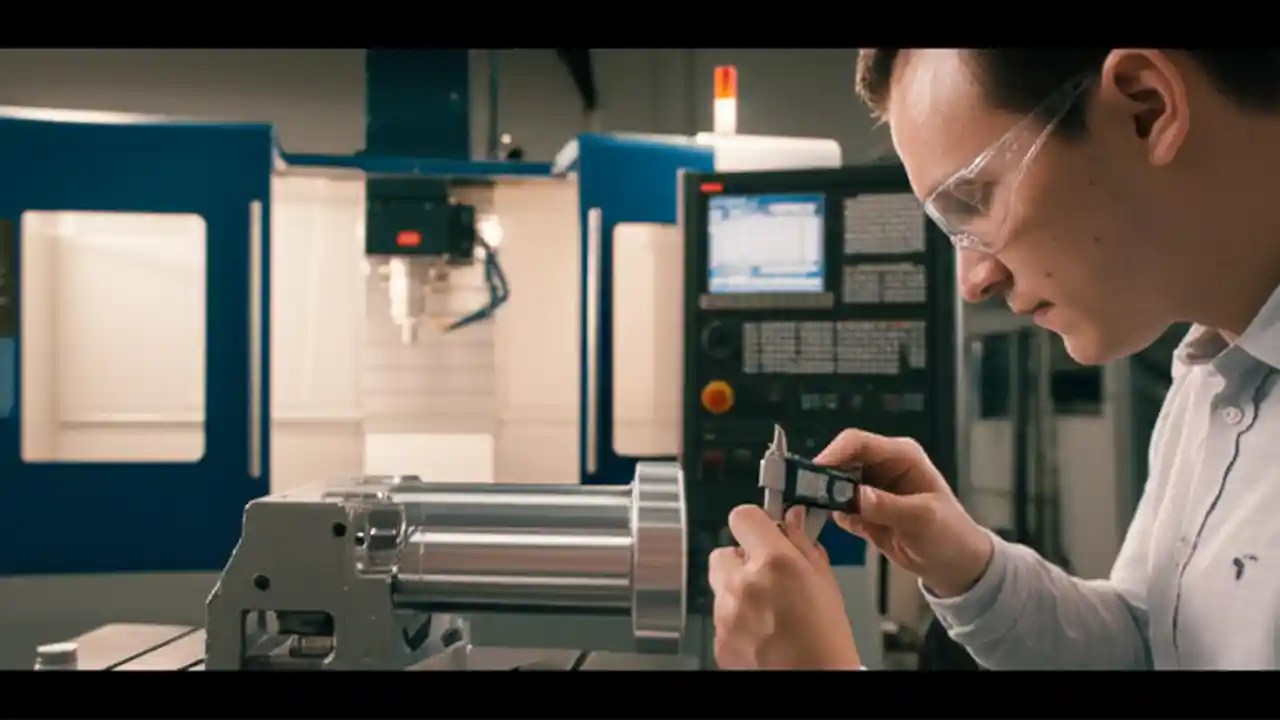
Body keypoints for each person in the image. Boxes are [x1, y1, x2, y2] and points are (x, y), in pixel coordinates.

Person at [707, 49, 1280, 671]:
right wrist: (970, 569)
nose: (973, 281)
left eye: (976, 197)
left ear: (1147, 109)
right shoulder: (1217, 379)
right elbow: (1153, 644)